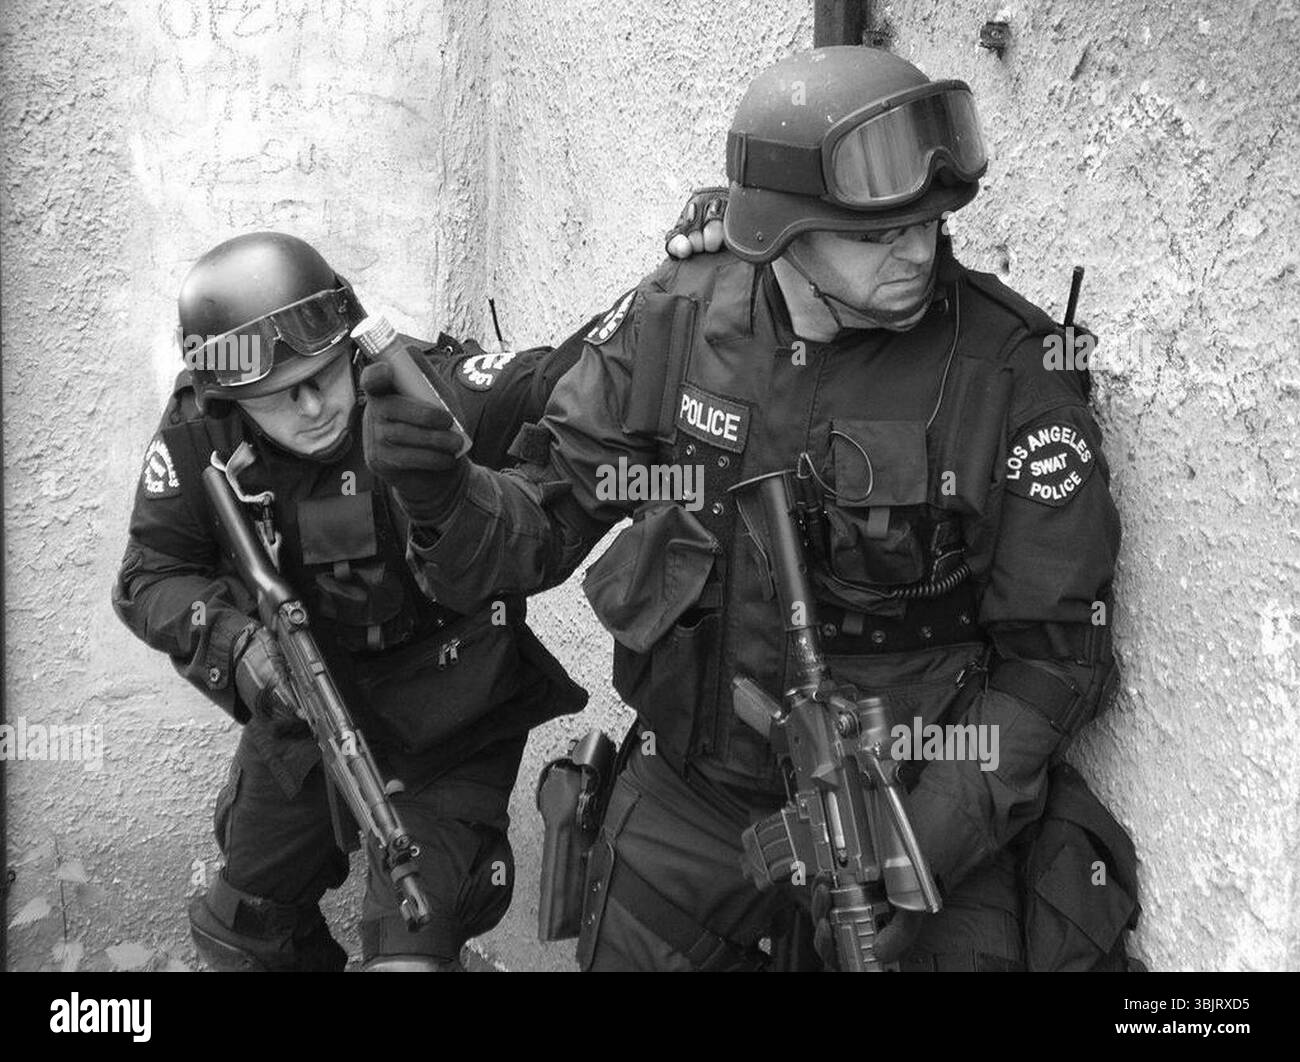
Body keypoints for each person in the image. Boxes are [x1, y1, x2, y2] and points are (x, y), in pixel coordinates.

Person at [362, 47, 1122, 972]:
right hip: (695, 800)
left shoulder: (1011, 373)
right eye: (878, 235)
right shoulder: (680, 316)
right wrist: (441, 494)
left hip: (915, 802)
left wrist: (926, 844)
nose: (919, 253)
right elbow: (543, 519)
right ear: (783, 232)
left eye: (931, 225)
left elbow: (1053, 660)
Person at [112, 200, 721, 972]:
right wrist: (236, 647)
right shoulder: (197, 436)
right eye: (280, 394)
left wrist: (681, 277)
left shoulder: (426, 393)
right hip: (307, 708)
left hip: (449, 717)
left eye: (322, 375)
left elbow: (567, 372)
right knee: (243, 930)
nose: (313, 406)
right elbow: (150, 575)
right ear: (227, 396)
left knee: (411, 950)